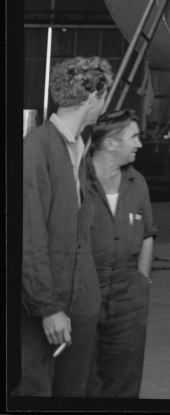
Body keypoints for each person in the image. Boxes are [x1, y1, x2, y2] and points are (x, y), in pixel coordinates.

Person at [17, 56, 112, 397]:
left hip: (78, 306)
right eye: (106, 95)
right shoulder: (35, 150)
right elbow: (28, 237)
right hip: (46, 307)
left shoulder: (80, 151)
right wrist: (48, 307)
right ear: (94, 97)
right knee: (35, 390)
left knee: (73, 391)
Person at [86, 108, 157, 398]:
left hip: (129, 292)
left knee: (125, 383)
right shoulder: (76, 180)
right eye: (134, 137)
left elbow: (149, 233)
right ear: (111, 143)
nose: (139, 144)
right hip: (86, 287)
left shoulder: (136, 181)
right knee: (83, 380)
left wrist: (143, 281)